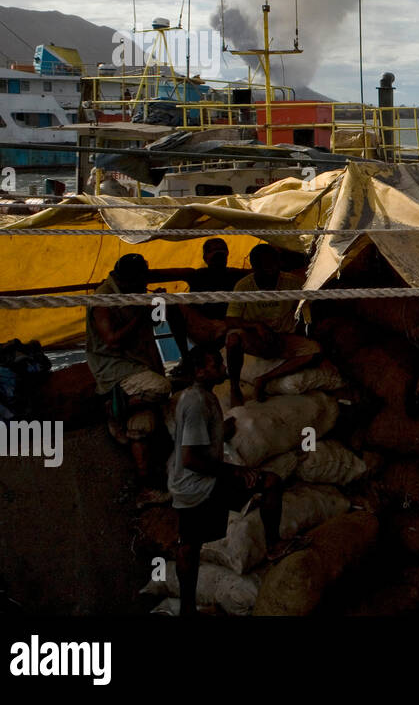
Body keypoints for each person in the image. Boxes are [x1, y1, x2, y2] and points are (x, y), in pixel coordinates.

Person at [169, 344, 288, 616]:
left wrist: (221, 432)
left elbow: (197, 441)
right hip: (199, 485)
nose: (224, 368)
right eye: (217, 365)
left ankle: (187, 609)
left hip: (193, 485)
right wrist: (234, 472)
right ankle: (273, 545)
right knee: (270, 483)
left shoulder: (202, 397)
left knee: (190, 544)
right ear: (200, 371)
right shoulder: (196, 402)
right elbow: (190, 458)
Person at [85, 254, 172, 485]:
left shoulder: (136, 291)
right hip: (115, 368)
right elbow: (112, 340)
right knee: (163, 388)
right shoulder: (103, 298)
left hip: (141, 365)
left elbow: (156, 322)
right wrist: (143, 312)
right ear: (126, 279)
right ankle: (115, 406)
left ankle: (146, 485)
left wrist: (159, 305)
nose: (144, 286)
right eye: (140, 282)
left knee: (143, 423)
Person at [223, 243, 320, 398]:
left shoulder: (292, 283)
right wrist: (256, 326)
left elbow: (305, 313)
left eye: (274, 264)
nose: (271, 270)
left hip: (283, 338)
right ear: (255, 267)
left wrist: (299, 333)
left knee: (314, 351)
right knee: (233, 339)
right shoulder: (244, 286)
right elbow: (230, 320)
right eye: (265, 266)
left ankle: (264, 379)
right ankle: (235, 389)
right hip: (257, 339)